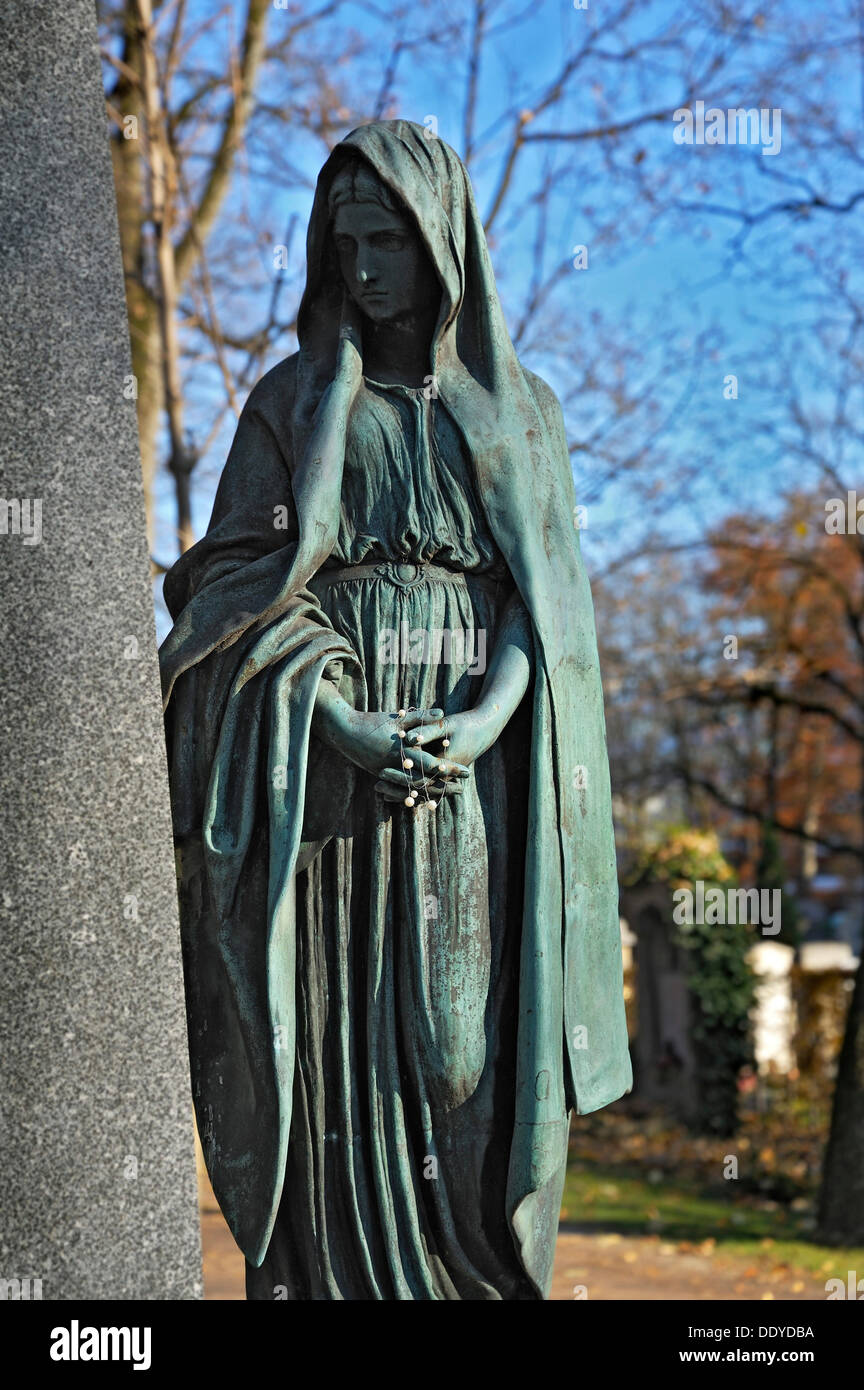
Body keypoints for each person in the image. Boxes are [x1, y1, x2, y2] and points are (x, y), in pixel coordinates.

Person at [159, 119, 631, 1300]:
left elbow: (547, 608)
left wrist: (480, 724)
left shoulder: (528, 413)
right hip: (323, 779)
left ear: (443, 248)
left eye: (389, 240)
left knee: (459, 1051)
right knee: (332, 1058)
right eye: (345, 240)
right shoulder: (292, 403)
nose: (365, 267)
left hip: (471, 768)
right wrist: (334, 715)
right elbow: (231, 589)